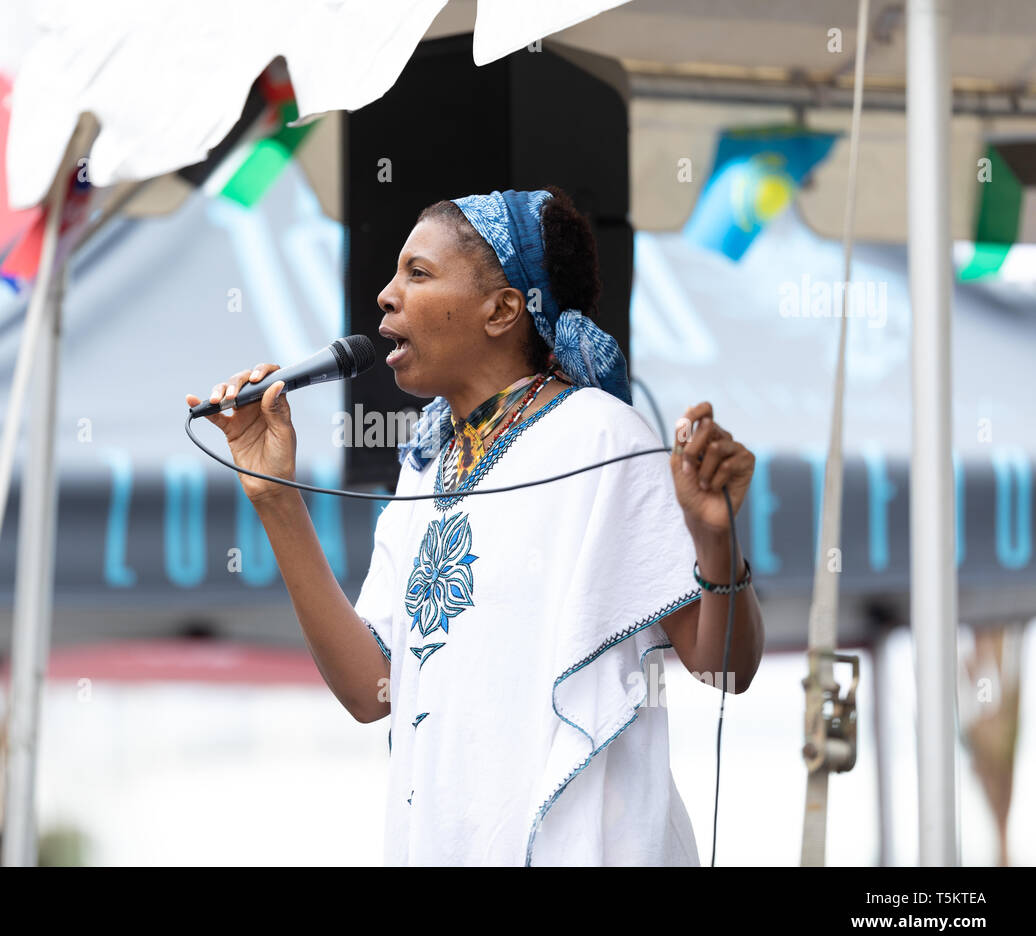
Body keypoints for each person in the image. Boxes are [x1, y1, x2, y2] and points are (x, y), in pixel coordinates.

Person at [186, 185, 764, 866]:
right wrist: (274, 496)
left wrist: (716, 541)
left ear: (502, 310)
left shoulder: (600, 436)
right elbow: (372, 689)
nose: (385, 295)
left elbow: (723, 668)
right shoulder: (427, 465)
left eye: (418, 273)